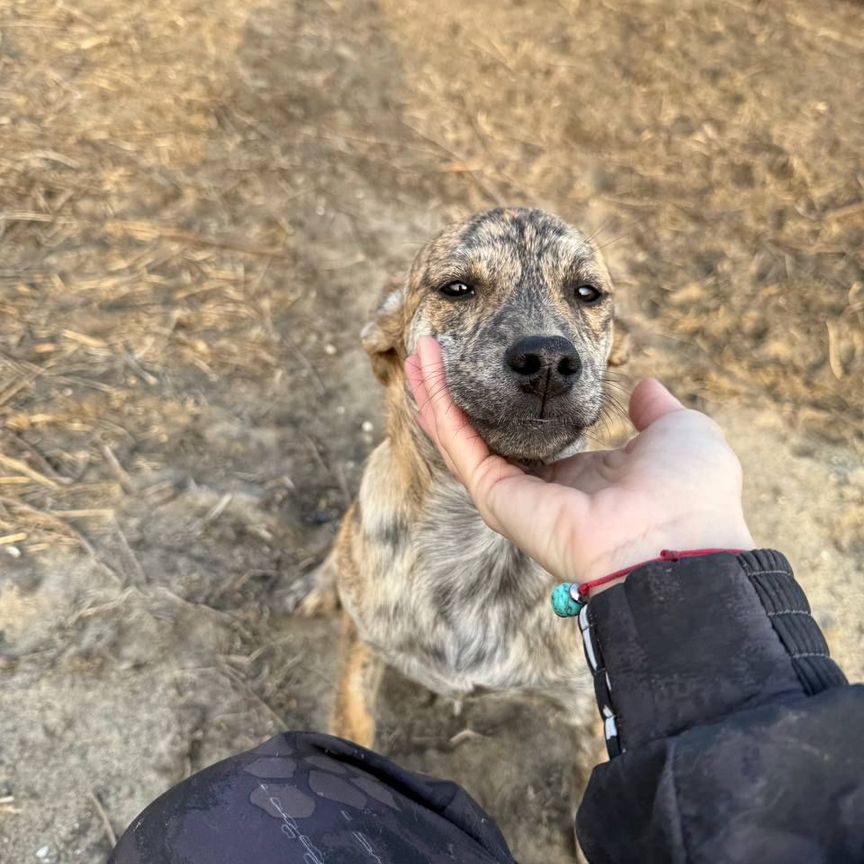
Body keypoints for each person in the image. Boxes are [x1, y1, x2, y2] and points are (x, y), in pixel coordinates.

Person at [110, 337, 863, 864]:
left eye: (585, 296)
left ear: (608, 347)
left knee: (224, 825)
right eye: (461, 291)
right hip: (396, 563)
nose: (545, 348)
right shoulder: (379, 560)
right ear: (392, 344)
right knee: (358, 624)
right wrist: (677, 553)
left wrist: (666, 544)